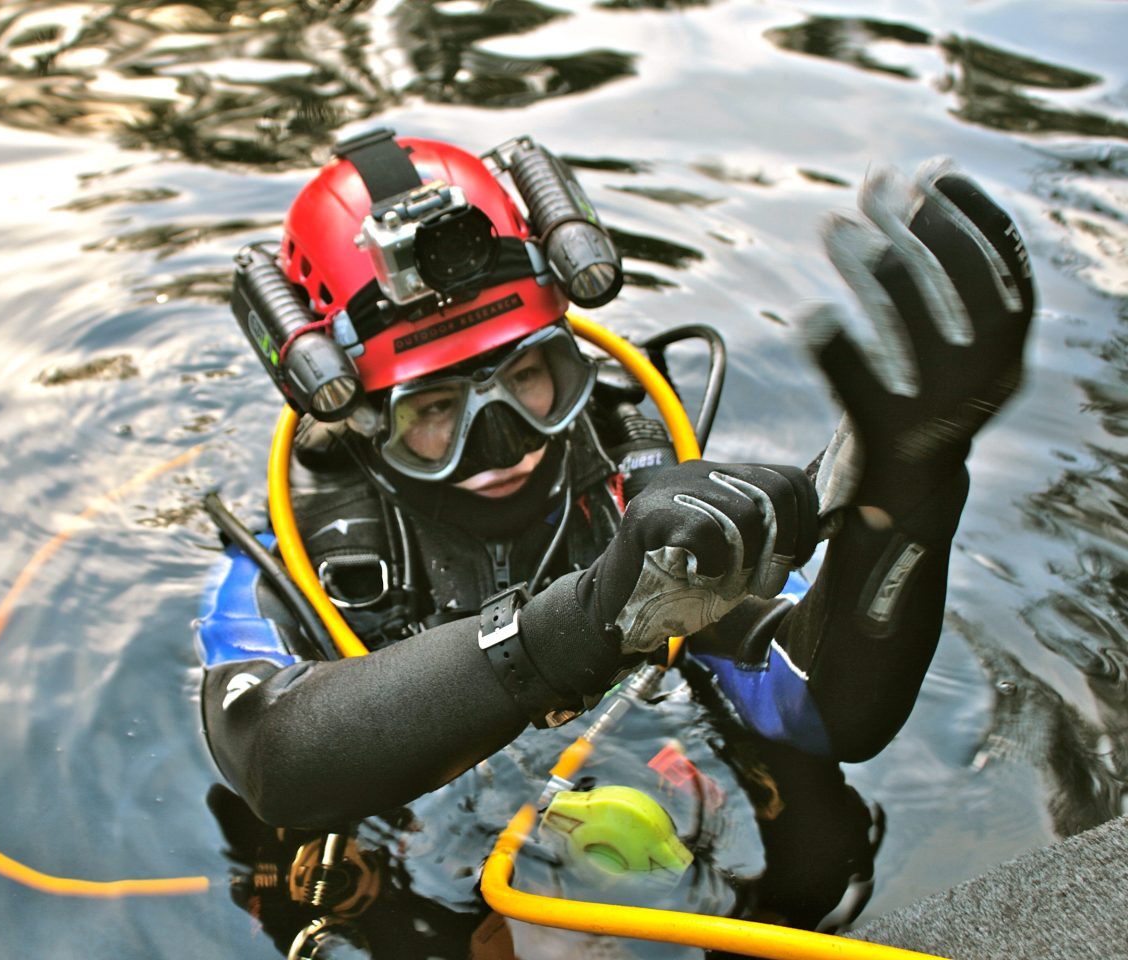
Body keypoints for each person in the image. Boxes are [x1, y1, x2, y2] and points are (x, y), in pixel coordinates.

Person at [194, 129, 1034, 957]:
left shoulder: (641, 482)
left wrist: (909, 491)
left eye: (528, 377)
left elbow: (827, 710)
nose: (503, 443)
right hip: (433, 869)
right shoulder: (302, 559)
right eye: (437, 409)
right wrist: (583, 620)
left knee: (816, 863)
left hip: (643, 801)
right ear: (360, 417)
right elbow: (275, 764)